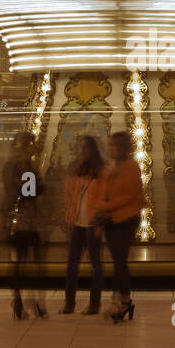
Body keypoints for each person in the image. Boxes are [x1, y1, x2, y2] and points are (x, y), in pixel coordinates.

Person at [91, 130, 146, 323]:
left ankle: (123, 300)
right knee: (117, 262)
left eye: (114, 145)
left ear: (122, 148)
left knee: (120, 262)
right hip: (113, 220)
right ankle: (123, 300)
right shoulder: (111, 168)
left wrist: (104, 207)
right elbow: (106, 193)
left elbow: (129, 195)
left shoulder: (131, 167)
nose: (110, 149)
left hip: (126, 219)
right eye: (109, 145)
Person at [2, 131, 46, 319]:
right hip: (24, 217)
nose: (35, 146)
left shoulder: (12, 165)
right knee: (31, 262)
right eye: (32, 143)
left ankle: (20, 300)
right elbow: (31, 191)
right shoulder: (24, 166)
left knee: (19, 261)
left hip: (17, 216)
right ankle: (32, 302)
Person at [61, 135, 106, 315]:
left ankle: (95, 304)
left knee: (95, 264)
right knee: (72, 264)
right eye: (81, 148)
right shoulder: (78, 170)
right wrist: (69, 215)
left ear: (92, 150)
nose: (82, 151)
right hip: (78, 223)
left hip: (93, 223)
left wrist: (101, 219)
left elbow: (105, 196)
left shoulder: (103, 172)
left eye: (85, 148)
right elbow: (69, 193)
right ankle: (69, 303)